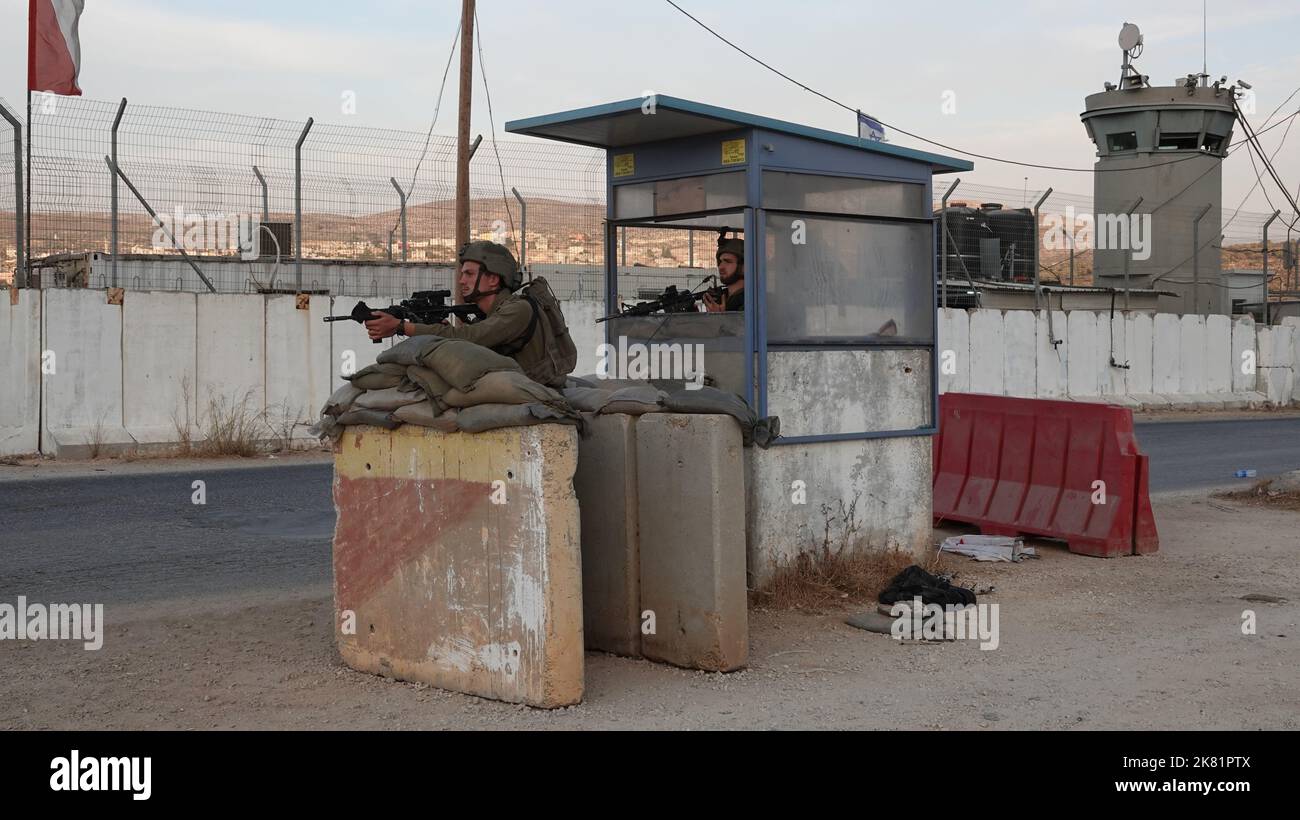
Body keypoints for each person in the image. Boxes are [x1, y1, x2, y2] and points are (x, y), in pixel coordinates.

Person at [364, 240, 574, 388]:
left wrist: (401, 327)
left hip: (535, 386)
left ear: (493, 279)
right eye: (462, 274)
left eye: (469, 274)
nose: (461, 281)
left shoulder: (518, 309)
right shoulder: (492, 313)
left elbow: (470, 338)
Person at [701, 236, 744, 312]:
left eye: (728, 261)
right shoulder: (723, 296)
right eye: (720, 262)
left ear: (744, 266)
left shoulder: (754, 301)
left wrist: (719, 318)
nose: (720, 267)